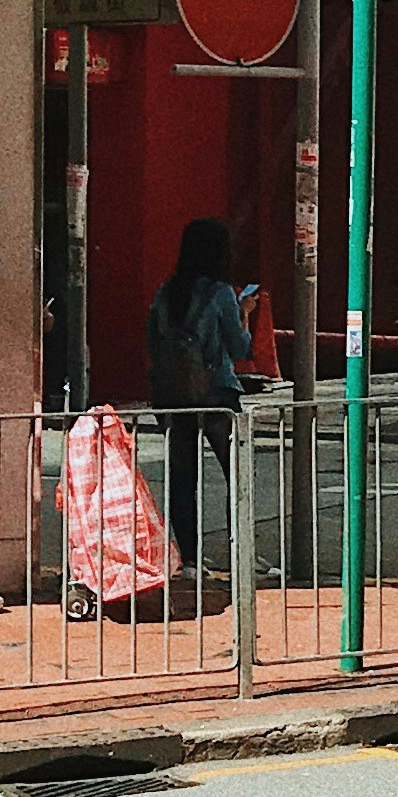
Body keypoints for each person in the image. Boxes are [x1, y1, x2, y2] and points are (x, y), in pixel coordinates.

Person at [146, 216, 253, 576]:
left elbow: (152, 343)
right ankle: (241, 554)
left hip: (175, 396)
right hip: (217, 393)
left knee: (182, 478)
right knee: (236, 475)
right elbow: (239, 347)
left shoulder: (165, 292)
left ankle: (189, 559)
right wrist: (245, 314)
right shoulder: (221, 293)